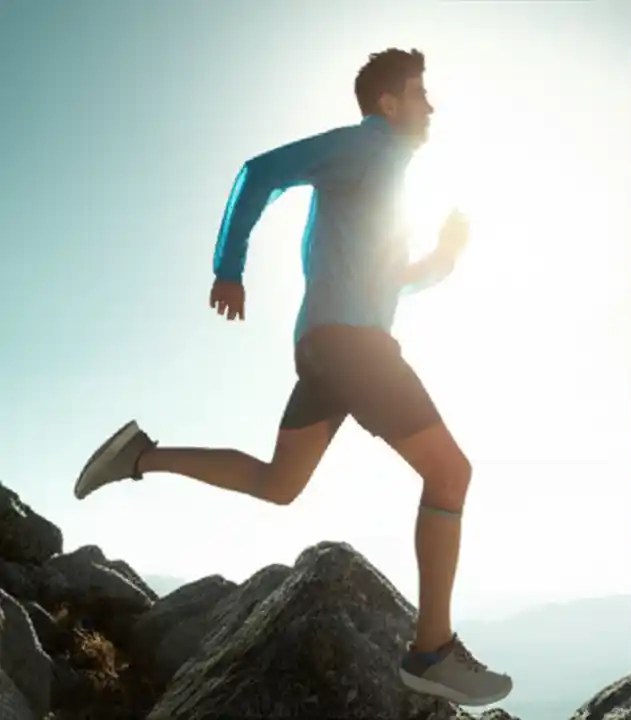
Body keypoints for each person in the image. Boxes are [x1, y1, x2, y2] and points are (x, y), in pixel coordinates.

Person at [72, 48, 513, 707]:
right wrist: (230, 265)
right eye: (420, 94)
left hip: (334, 346)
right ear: (388, 104)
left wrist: (443, 260)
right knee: (450, 474)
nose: (430, 106)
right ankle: (431, 650)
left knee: (280, 483)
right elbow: (260, 172)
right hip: (352, 347)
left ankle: (139, 455)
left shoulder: (384, 178)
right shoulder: (365, 149)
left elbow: (391, 280)